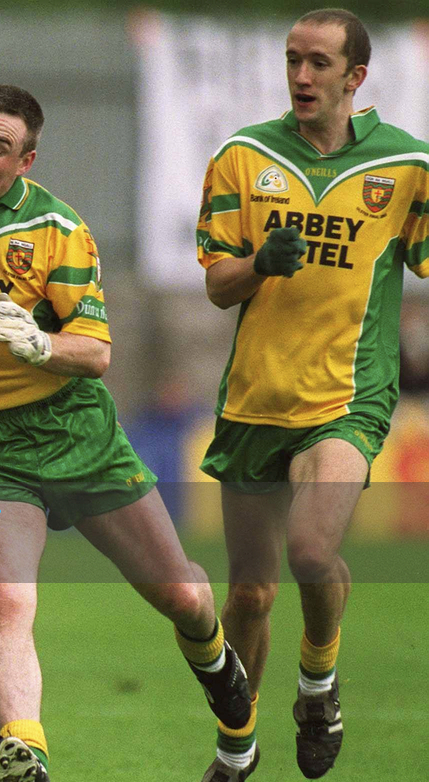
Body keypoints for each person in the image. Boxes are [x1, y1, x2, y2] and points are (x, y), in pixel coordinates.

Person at [0, 84, 253, 782]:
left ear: (24, 161)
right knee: (5, 595)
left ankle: (218, 664)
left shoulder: (57, 226)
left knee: (184, 597)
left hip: (74, 431)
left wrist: (40, 344)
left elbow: (97, 351)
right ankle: (26, 752)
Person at [195, 9, 429, 781]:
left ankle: (319, 686)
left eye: (319, 63)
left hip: (348, 398)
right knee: (251, 595)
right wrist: (261, 261)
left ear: (354, 77)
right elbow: (218, 287)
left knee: (310, 551)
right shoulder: (243, 157)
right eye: (294, 59)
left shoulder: (408, 167)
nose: (301, 74)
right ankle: (237, 751)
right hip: (257, 400)